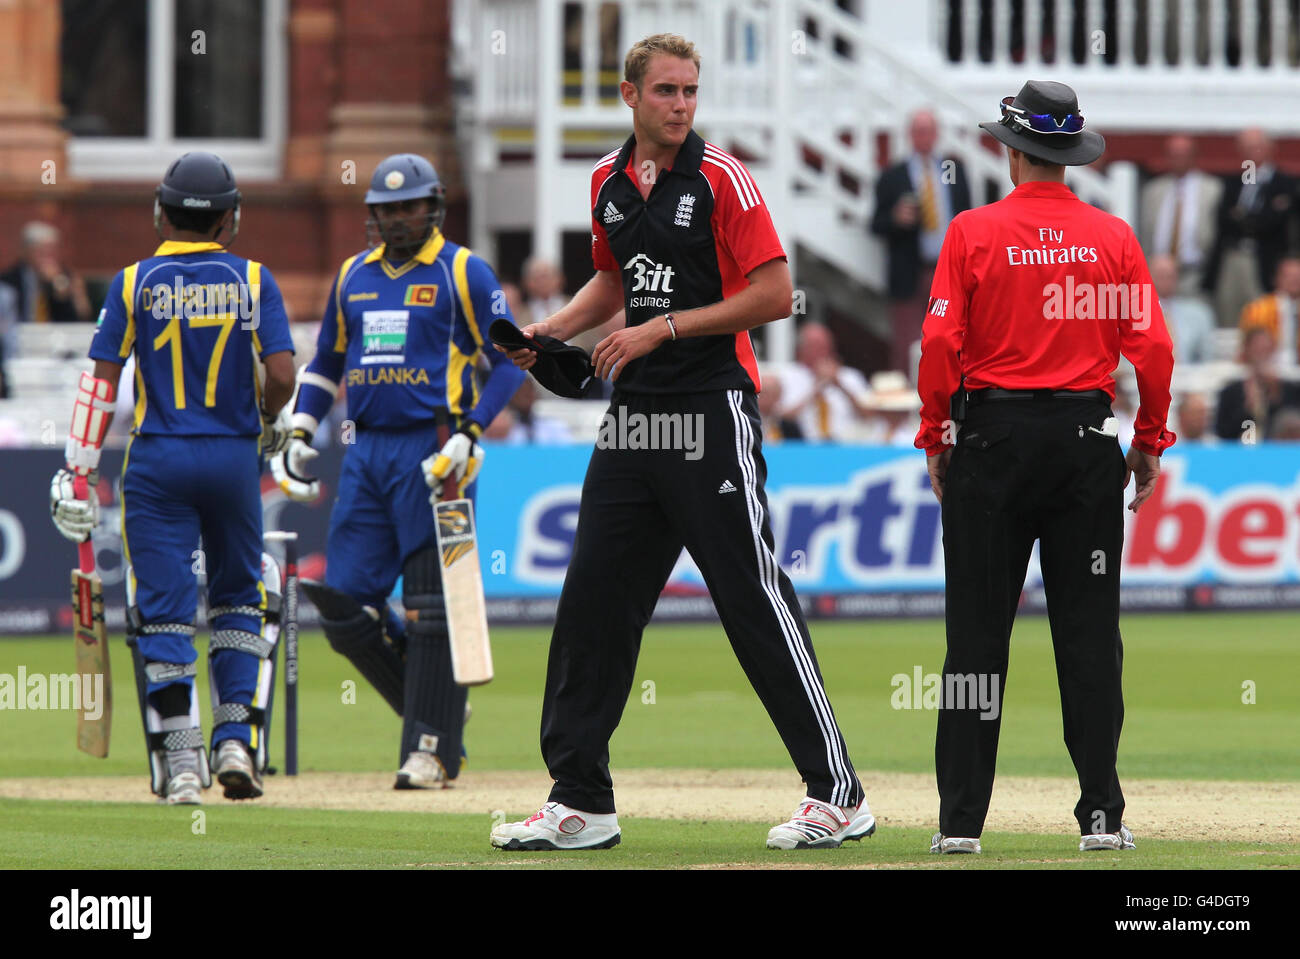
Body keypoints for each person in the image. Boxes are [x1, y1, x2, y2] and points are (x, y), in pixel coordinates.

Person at [490, 33, 870, 852]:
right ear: (629, 96)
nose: (681, 105)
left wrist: (663, 329)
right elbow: (615, 275)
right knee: (593, 598)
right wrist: (547, 331)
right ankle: (580, 798)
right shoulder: (605, 181)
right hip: (633, 418)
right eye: (666, 91)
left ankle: (837, 790)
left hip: (710, 409)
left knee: (748, 594)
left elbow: (774, 294)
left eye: (691, 91)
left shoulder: (724, 178)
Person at [916, 81, 1175, 856]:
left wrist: (935, 433)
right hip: (1085, 440)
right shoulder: (1114, 237)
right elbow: (1153, 349)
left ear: (1012, 149)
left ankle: (960, 825)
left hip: (991, 444)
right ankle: (1101, 817)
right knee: (1091, 638)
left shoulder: (971, 231)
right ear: (1068, 154)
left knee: (974, 641)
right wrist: (1150, 440)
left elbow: (937, 347)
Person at [48, 152, 296, 804]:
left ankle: (182, 760)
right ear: (229, 217)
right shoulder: (254, 280)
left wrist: (77, 469)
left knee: (164, 609)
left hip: (158, 462)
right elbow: (284, 374)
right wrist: (268, 419)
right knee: (240, 598)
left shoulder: (133, 282)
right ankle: (235, 737)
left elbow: (101, 381)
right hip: (232, 459)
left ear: (160, 211)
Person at [270, 154, 524, 789]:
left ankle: (432, 750)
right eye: (386, 209)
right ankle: (435, 698)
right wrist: (302, 425)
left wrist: (470, 433)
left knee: (429, 608)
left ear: (433, 205)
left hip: (436, 450)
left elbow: (514, 360)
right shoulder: (353, 275)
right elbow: (327, 362)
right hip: (367, 451)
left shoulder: (463, 271)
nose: (397, 218)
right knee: (342, 605)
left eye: (409, 206)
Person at [871, 109, 972, 371]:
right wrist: (896, 219)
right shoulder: (894, 175)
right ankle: (907, 405)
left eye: (928, 131)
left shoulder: (954, 171)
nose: (923, 137)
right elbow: (875, 224)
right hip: (909, 271)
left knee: (951, 336)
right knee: (907, 342)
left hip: (947, 268)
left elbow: (968, 217)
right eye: (918, 131)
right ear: (909, 135)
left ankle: (948, 396)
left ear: (936, 134)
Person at [1203, 129, 1297, 328]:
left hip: (1264, 260)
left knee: (1261, 314)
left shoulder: (1285, 183)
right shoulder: (1233, 183)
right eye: (1246, 148)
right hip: (1232, 257)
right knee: (1228, 312)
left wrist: (1245, 217)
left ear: (1270, 149)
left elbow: (1276, 222)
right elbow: (1224, 219)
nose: (1251, 152)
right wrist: (1261, 216)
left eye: (1256, 147)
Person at [1138, 135, 1222, 297]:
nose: (1179, 159)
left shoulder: (1212, 188)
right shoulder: (1153, 190)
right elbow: (1145, 232)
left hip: (1195, 273)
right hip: (1158, 273)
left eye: (1183, 154)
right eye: (1174, 154)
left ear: (1194, 156)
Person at [775, 322, 875, 441]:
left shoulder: (850, 376)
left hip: (846, 447)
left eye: (826, 346)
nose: (823, 351)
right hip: (802, 447)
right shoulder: (786, 376)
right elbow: (780, 418)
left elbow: (870, 416)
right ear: (802, 349)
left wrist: (841, 386)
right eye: (815, 347)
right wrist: (816, 389)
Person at [1214, 326, 1300, 441]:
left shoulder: (1290, 389)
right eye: (1257, 349)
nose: (1262, 355)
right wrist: (1247, 409)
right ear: (1246, 351)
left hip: (1280, 453)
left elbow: (1292, 425)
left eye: (1266, 349)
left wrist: (1276, 395)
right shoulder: (1230, 392)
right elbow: (1223, 434)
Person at [0, 221, 92, 324]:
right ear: (26, 251)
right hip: (20, 334)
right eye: (41, 251)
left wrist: (59, 285)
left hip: (55, 335)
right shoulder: (8, 279)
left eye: (52, 251)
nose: (48, 257)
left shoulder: (67, 277)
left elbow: (79, 318)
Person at [1151, 254, 1214, 365]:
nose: (1165, 280)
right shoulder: (1132, 316)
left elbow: (1208, 357)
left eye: (1170, 276)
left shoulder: (1199, 313)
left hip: (1188, 377)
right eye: (1160, 275)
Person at [1238, 254, 1300, 367]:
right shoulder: (1257, 309)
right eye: (1289, 276)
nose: (1294, 280)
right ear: (1276, 279)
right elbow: (1251, 348)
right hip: (1268, 369)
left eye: (1298, 276)